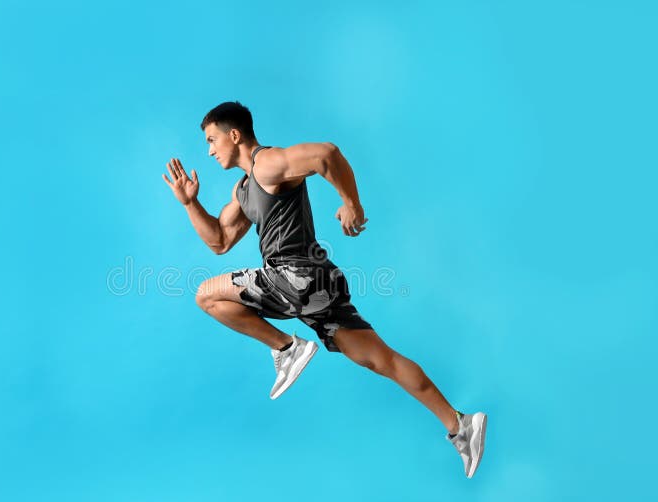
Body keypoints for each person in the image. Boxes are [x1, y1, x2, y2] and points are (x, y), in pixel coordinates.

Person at [162, 101, 487, 478]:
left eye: (211, 140)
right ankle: (460, 424)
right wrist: (190, 203)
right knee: (381, 360)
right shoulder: (244, 189)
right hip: (316, 286)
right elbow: (219, 240)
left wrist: (352, 203)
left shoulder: (267, 163)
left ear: (234, 135)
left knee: (206, 294)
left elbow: (326, 154)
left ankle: (287, 347)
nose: (209, 151)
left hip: (294, 277)